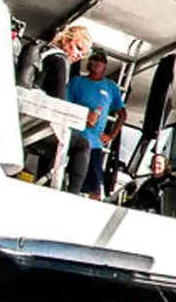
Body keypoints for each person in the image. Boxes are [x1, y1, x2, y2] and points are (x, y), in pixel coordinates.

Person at [21, 24, 93, 194]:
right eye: (78, 48)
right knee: (82, 145)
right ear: (67, 40)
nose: (79, 55)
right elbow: (59, 102)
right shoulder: (60, 61)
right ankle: (73, 193)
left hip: (26, 122)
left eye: (83, 53)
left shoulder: (44, 53)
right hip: (36, 126)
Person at [67, 46, 126, 200]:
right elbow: (64, 105)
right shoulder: (76, 81)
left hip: (94, 144)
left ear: (105, 65)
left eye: (102, 60)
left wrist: (111, 135)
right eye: (95, 59)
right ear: (89, 62)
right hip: (73, 138)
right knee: (69, 180)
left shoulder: (111, 87)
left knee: (94, 190)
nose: (99, 63)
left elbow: (122, 114)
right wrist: (83, 115)